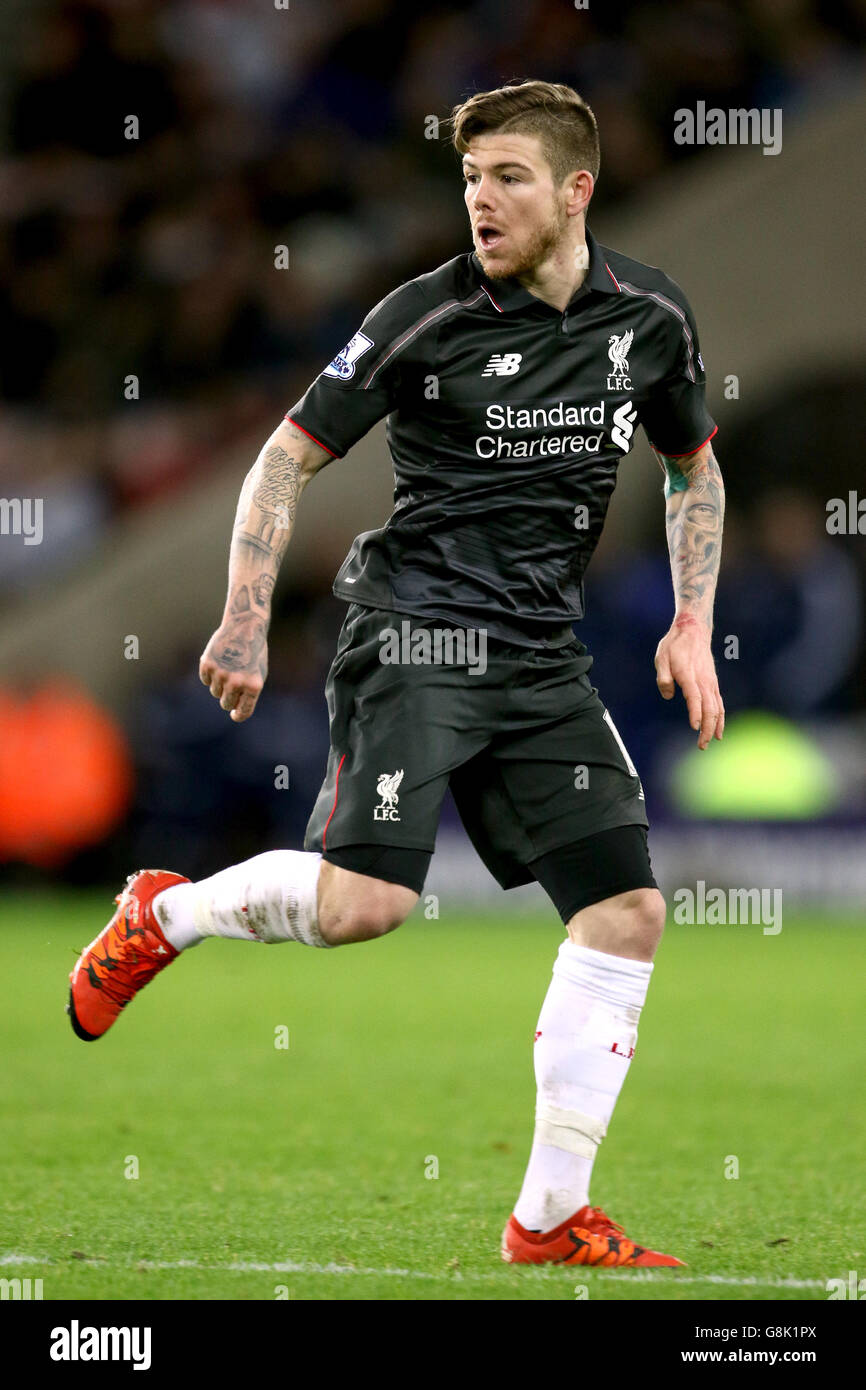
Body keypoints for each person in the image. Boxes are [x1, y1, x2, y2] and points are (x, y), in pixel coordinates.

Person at [68, 80, 725, 1269]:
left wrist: (690, 616)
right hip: (414, 630)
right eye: (469, 177)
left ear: (577, 190)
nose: (480, 199)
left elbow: (693, 465)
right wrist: (243, 616)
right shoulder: (423, 316)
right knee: (367, 905)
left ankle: (546, 1219)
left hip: (536, 651)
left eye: (507, 177)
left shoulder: (650, 320)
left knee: (626, 910)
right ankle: (162, 913)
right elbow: (283, 458)